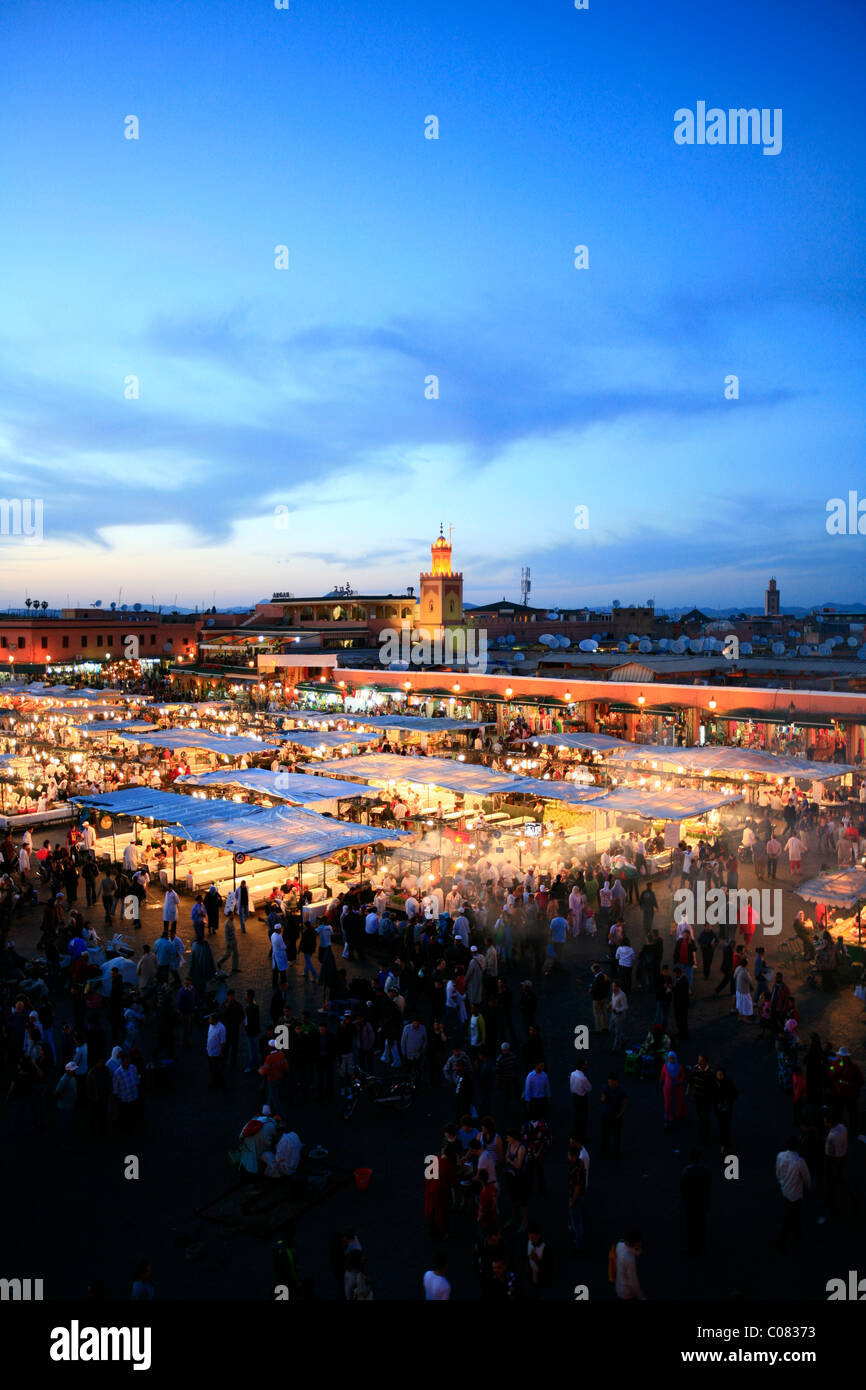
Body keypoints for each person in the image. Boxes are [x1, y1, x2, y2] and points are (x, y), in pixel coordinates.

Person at [775, 1136, 811, 1250]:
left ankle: (796, 1232)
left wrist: (781, 1181)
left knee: (790, 1212)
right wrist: (808, 1187)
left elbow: (778, 1172)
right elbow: (806, 1177)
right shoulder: (800, 1162)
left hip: (785, 1188)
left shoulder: (780, 1156)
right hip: (795, 1192)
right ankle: (784, 1240)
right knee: (791, 1215)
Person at [680, 1149, 711, 1255]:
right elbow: (708, 1185)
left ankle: (692, 1247)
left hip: (691, 1201)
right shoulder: (704, 1170)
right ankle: (700, 1246)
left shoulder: (687, 1170)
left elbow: (683, 1187)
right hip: (701, 1200)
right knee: (701, 1224)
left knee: (691, 1225)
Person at [687, 1054, 716, 1144]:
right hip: (697, 1096)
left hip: (706, 1098)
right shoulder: (695, 1068)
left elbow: (713, 1086)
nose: (699, 1062)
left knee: (706, 1115)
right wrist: (688, 1090)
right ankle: (702, 1127)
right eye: (699, 1060)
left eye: (701, 1060)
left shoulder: (711, 1072)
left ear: (706, 1061)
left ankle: (705, 1134)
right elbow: (691, 1079)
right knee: (699, 1113)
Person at [601, 1073, 628, 1158]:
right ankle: (606, 1151)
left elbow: (625, 1100)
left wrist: (621, 1113)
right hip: (607, 1115)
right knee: (606, 1134)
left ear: (616, 1081)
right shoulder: (606, 1088)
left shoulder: (621, 1090)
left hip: (616, 1116)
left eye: (611, 1082)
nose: (610, 1084)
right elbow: (602, 1098)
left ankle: (616, 1152)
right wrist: (603, 1098)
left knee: (616, 1135)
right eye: (609, 1082)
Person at [613, 1230, 645, 1300]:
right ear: (636, 1243)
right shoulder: (630, 1260)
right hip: (627, 1293)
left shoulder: (619, 1245)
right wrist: (641, 1296)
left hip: (619, 1287)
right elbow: (633, 1282)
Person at [660, 1051, 685, 1128]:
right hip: (667, 1088)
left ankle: (675, 1115)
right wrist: (661, 1081)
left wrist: (678, 1081)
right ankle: (667, 1116)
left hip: (677, 1088)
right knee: (668, 1103)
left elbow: (682, 1076)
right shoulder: (665, 1066)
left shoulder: (679, 1067)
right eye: (670, 1058)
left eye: (672, 1058)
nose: (671, 1060)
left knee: (676, 1102)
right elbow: (662, 1075)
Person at [569, 1062, 592, 1142]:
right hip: (582, 1099)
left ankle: (575, 1134)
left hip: (575, 1097)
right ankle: (581, 1136)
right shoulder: (583, 1078)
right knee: (583, 1117)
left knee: (577, 1116)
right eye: (585, 1064)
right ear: (582, 1067)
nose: (586, 1065)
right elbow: (589, 1088)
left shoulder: (572, 1074)